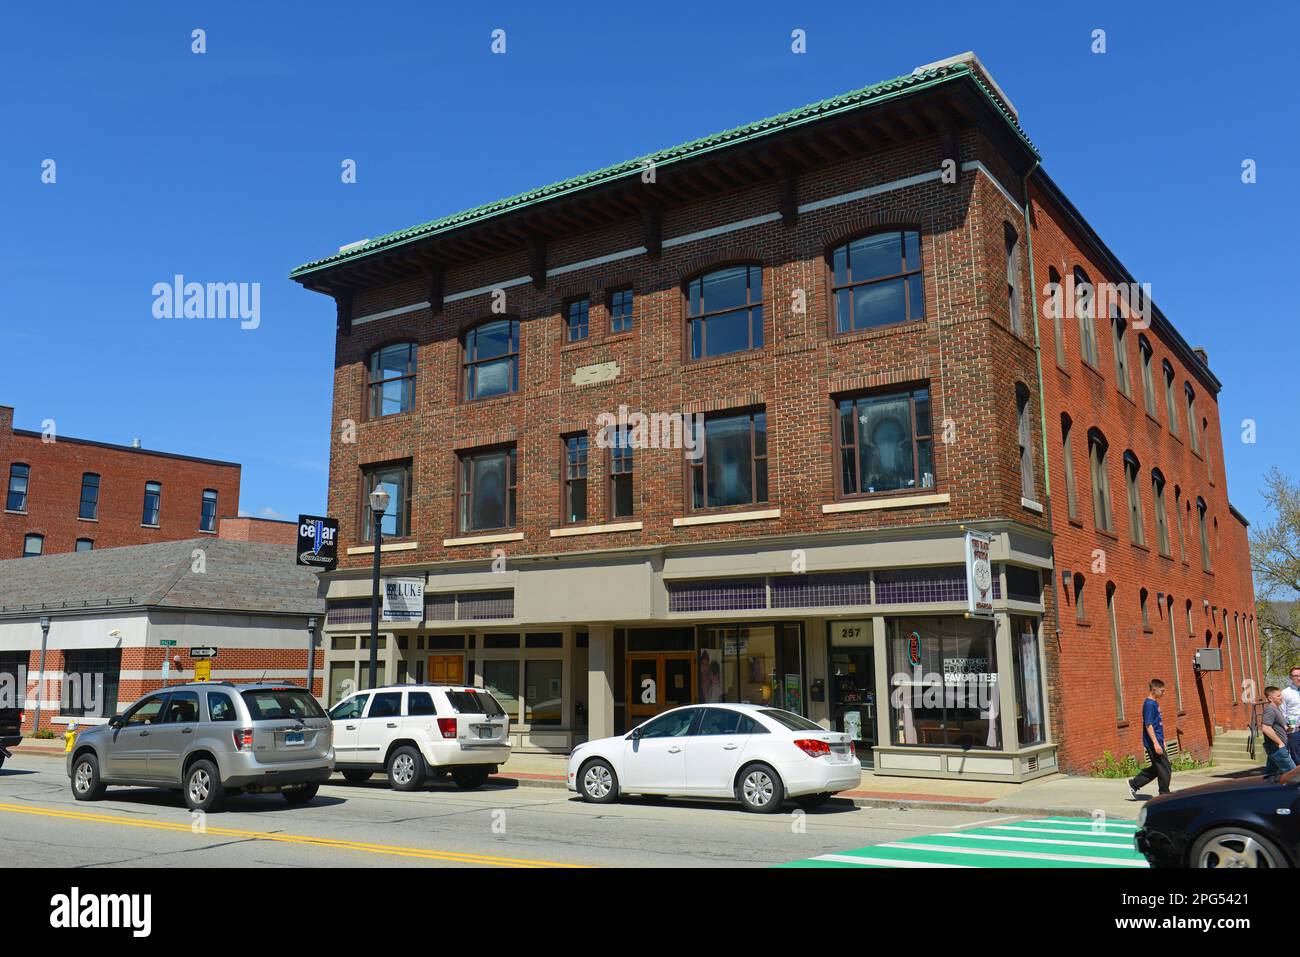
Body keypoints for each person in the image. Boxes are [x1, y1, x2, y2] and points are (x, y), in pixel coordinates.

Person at [1128, 679, 1170, 798]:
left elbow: (1158, 724)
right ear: (1154, 690)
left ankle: (1134, 783)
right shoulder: (1149, 704)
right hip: (1153, 742)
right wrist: (1156, 744)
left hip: (1158, 740)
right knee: (1165, 769)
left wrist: (1163, 741)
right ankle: (1164, 794)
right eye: (1162, 691)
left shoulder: (1154, 703)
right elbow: (1149, 725)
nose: (1164, 693)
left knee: (1158, 769)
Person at [1260, 686, 1296, 778]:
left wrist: (1290, 728)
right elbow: (1266, 728)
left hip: (1276, 748)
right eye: (1278, 696)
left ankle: (1260, 791)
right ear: (1270, 698)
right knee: (1294, 775)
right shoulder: (1270, 710)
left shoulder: (1277, 709)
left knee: (1269, 776)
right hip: (1277, 748)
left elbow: (1280, 728)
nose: (1281, 697)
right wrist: (1280, 743)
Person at [1281, 667, 1300, 765]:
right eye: (1295, 676)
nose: (1298, 678)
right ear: (1290, 678)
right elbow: (1282, 713)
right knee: (1297, 758)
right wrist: (1288, 728)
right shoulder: (1285, 693)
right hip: (1295, 730)